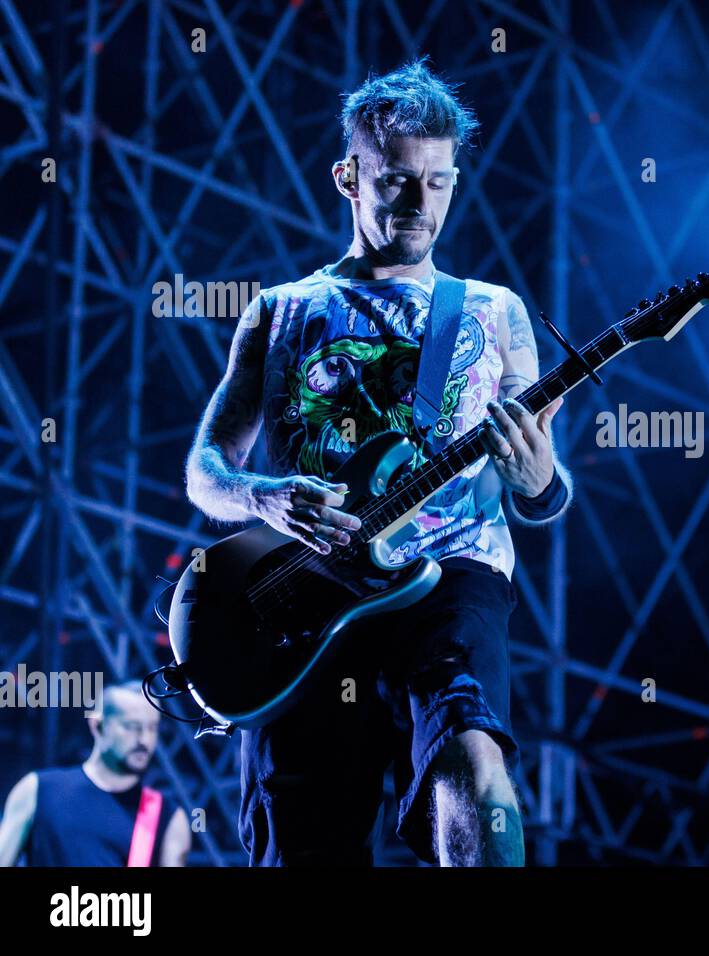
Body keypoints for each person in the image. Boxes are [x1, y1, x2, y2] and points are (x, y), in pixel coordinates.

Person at [183, 58, 571, 866]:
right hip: (308, 597)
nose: (418, 203)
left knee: (474, 757)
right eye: (396, 180)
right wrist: (261, 499)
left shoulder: (497, 314)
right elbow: (206, 470)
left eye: (437, 182)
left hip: (451, 578)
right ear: (348, 177)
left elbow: (541, 484)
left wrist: (539, 484)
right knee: (303, 837)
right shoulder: (281, 311)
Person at [0, 681, 191, 866]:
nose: (144, 740)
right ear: (97, 726)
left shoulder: (168, 816)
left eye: (152, 728)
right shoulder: (38, 789)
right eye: (132, 727)